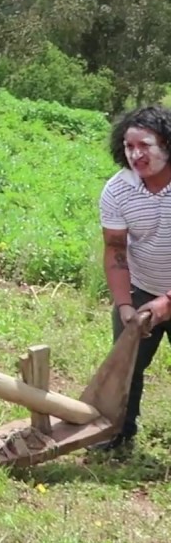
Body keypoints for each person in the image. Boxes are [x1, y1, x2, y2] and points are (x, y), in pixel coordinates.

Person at [97, 104, 171, 452]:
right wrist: (125, 304)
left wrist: (167, 302)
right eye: (129, 146)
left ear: (167, 145)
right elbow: (115, 248)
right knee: (126, 366)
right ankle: (117, 433)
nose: (136, 154)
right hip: (141, 289)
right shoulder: (117, 190)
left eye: (145, 145)